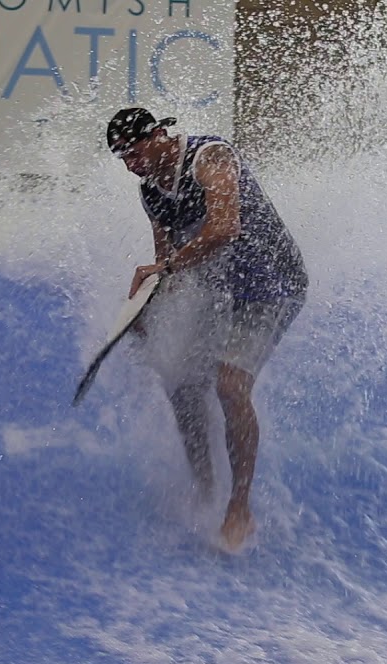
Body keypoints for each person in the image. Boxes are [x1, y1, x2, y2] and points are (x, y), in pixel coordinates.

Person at [106, 107, 308, 551]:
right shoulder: (151, 193)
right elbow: (170, 268)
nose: (130, 163)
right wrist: (147, 310)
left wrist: (166, 266)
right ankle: (203, 489)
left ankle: (239, 507)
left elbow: (224, 227)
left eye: (134, 149)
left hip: (272, 287)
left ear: (159, 134)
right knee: (180, 382)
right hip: (219, 289)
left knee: (231, 386)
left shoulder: (210, 156)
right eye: (121, 157)